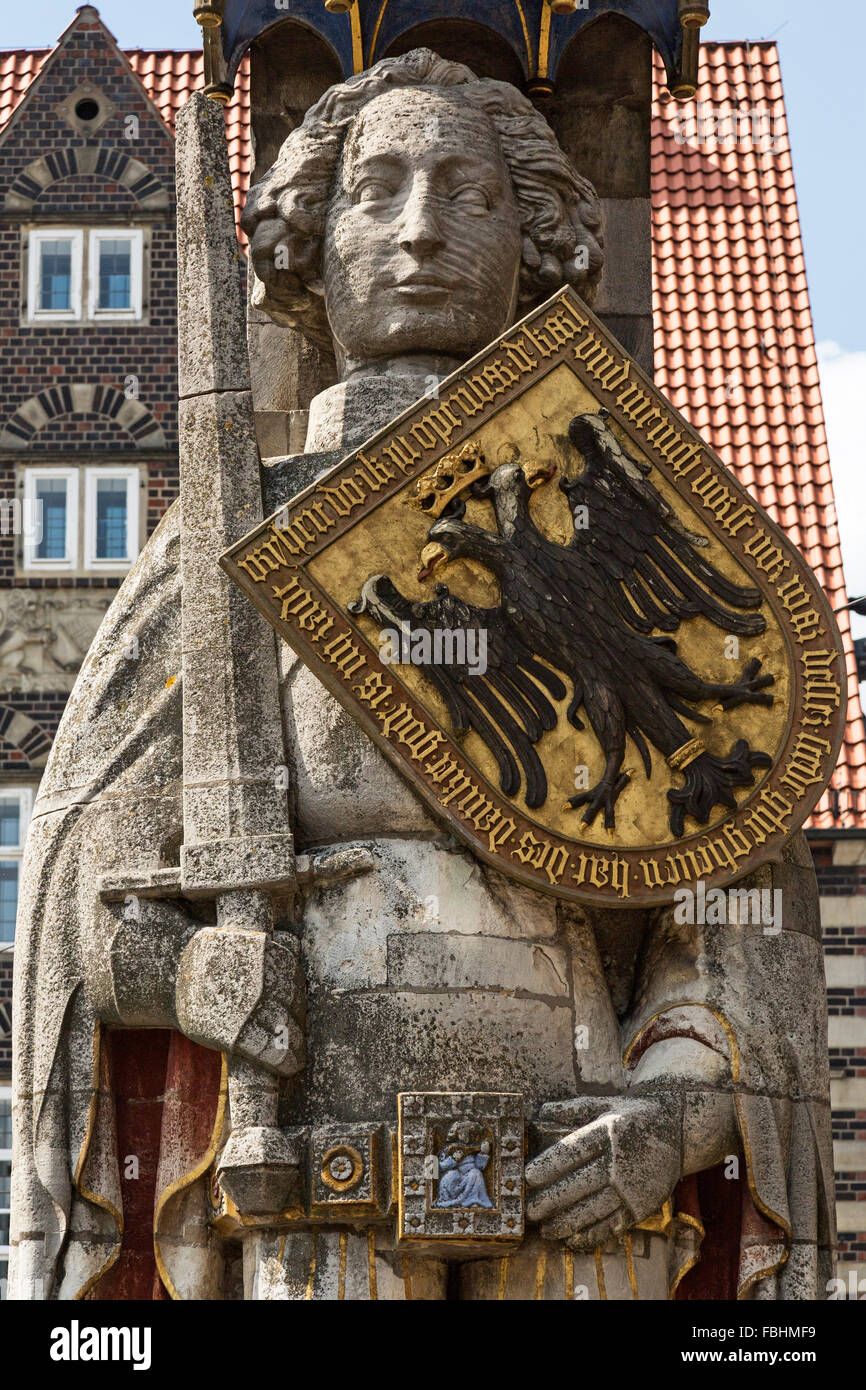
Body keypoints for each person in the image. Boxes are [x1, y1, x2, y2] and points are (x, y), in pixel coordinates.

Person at [11, 48, 834, 1302]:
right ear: (309, 240)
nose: (417, 229)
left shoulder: (627, 535)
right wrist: (183, 973)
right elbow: (83, 885)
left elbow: (732, 913)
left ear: (536, 235)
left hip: (582, 1171)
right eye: (376, 189)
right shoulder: (238, 541)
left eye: (466, 191)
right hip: (309, 1181)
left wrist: (674, 1119)